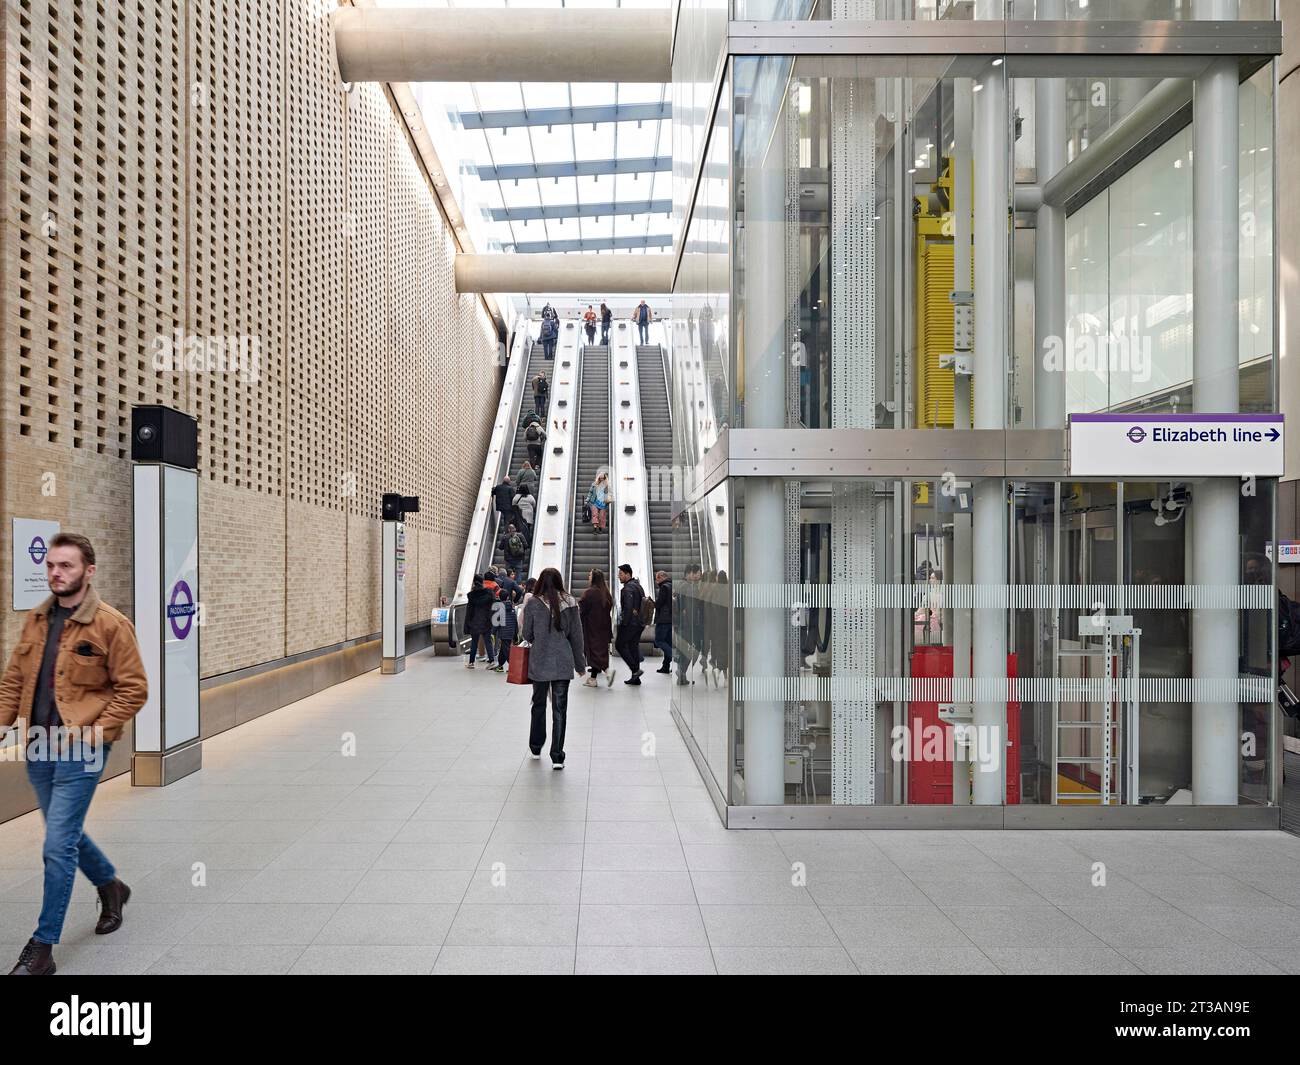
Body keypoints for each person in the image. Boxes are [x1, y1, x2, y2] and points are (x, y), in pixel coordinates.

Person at [0, 533, 147, 975]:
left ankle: (42, 948)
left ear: (88, 571)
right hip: (39, 746)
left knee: (56, 845)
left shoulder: (110, 624)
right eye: (51, 565)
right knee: (65, 836)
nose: (56, 573)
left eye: (66, 565)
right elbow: (13, 680)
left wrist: (94, 733)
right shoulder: (37, 619)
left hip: (81, 750)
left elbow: (134, 688)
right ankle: (111, 886)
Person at [521, 567, 586, 768]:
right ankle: (557, 755)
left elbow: (526, 634)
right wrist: (580, 664)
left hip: (539, 660)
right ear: (559, 582)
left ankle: (535, 746)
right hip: (562, 661)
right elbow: (576, 636)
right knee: (560, 709)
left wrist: (539, 638)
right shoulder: (571, 602)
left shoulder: (532, 603)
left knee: (538, 704)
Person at [578, 568, 616, 687]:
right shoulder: (606, 592)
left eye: (590, 575)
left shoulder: (590, 592)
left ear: (594, 578)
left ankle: (607, 672)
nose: (588, 577)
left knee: (593, 651)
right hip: (604, 626)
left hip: (591, 626)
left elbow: (582, 609)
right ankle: (593, 679)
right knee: (600, 650)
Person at [615, 563, 646, 685]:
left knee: (619, 645)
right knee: (633, 647)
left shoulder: (627, 589)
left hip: (631, 623)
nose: (619, 577)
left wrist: (624, 623)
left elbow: (628, 607)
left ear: (628, 574)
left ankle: (635, 670)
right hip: (639, 623)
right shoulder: (638, 586)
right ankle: (636, 678)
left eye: (621, 574)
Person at [464, 575, 496, 668]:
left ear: (474, 582)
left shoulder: (471, 595)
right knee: (488, 641)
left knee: (474, 642)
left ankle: (471, 663)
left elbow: (469, 611)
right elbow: (493, 608)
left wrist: (467, 624)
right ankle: (492, 662)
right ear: (483, 582)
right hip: (486, 621)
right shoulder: (489, 593)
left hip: (474, 622)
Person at [491, 586, 518, 673]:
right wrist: (516, 634)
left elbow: (497, 622)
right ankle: (500, 666)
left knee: (506, 650)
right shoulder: (513, 608)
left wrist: (493, 632)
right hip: (511, 631)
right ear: (507, 597)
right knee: (503, 649)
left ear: (499, 597)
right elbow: (515, 622)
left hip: (503, 632)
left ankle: (513, 667)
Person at [652, 570, 673, 673]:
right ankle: (665, 667)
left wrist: (653, 604)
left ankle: (674, 655)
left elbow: (660, 603)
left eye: (657, 578)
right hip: (671, 619)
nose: (656, 581)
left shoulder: (664, 587)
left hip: (663, 619)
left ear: (661, 577)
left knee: (659, 640)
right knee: (668, 642)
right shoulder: (671, 585)